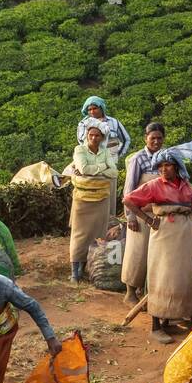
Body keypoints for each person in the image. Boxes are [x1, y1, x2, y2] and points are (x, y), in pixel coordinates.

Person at [123, 151, 192, 344]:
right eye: (160, 166)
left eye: (168, 165)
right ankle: (155, 326)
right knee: (162, 276)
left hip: (184, 236)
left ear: (177, 167)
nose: (164, 169)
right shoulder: (154, 185)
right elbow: (128, 200)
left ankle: (168, 320)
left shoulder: (187, 187)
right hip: (164, 235)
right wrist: (148, 220)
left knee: (179, 277)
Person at [121, 122, 168, 303]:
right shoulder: (138, 159)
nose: (156, 141)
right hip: (140, 214)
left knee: (154, 255)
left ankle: (147, 292)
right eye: (152, 138)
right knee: (137, 253)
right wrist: (130, 216)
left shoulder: (165, 157)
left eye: (159, 138)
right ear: (145, 139)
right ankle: (130, 293)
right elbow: (129, 190)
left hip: (159, 214)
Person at [68, 119, 118, 282]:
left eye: (97, 135)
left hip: (101, 200)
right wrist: (103, 168)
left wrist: (95, 172)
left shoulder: (105, 152)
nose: (94, 138)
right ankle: (75, 272)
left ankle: (89, 267)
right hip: (83, 201)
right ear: (86, 136)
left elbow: (114, 172)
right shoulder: (79, 150)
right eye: (91, 135)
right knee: (79, 235)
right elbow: (83, 169)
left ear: (102, 138)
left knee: (97, 234)